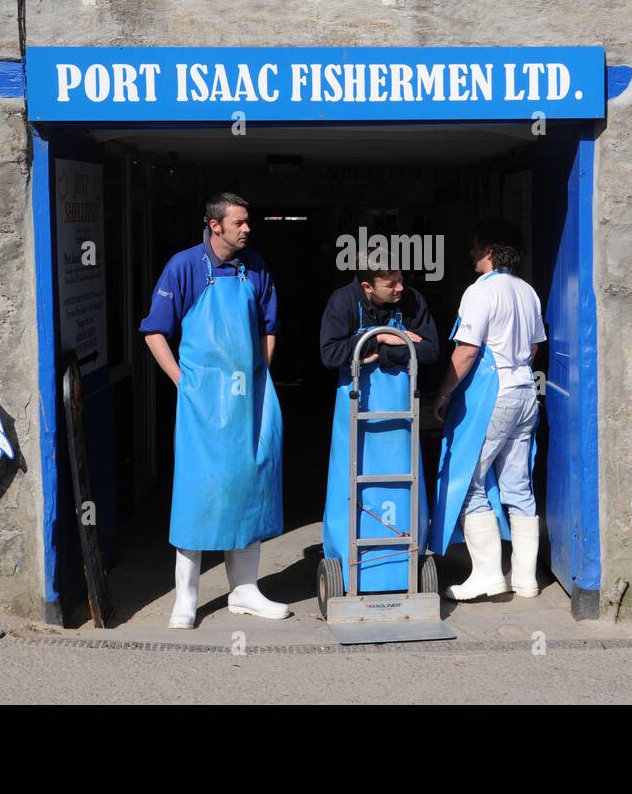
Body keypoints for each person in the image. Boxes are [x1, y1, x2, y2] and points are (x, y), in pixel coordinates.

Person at [141, 192, 289, 629]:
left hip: (249, 396)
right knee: (198, 492)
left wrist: (258, 375)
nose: (247, 229)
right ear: (214, 225)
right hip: (202, 401)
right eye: (239, 222)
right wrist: (183, 382)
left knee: (249, 485)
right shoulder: (184, 266)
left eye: (248, 222)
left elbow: (269, 327)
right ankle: (185, 598)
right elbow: (154, 332)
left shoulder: (256, 265)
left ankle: (245, 591)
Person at [430, 220, 546, 600]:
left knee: (469, 483)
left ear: (489, 251)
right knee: (519, 486)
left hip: (492, 397)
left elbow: (466, 350)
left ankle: (487, 576)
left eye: (475, 246)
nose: (470, 253)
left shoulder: (479, 293)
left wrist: (444, 392)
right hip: (526, 392)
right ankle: (526, 580)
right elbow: (531, 349)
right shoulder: (527, 291)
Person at [319, 257, 439, 592]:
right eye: (392, 284)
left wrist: (382, 352)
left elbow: (430, 350)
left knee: (405, 481)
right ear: (367, 286)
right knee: (352, 482)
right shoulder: (342, 303)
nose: (401, 288)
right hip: (357, 412)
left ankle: (406, 560)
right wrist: (386, 339)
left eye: (401, 279)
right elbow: (330, 354)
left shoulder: (412, 300)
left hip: (401, 414)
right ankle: (349, 561)